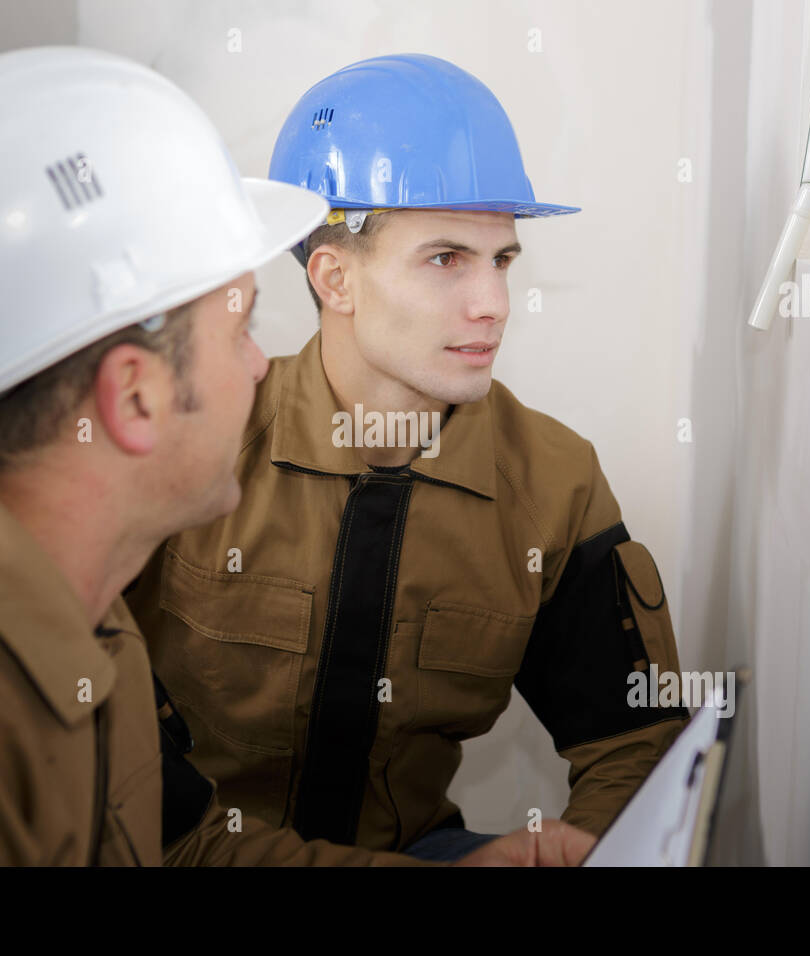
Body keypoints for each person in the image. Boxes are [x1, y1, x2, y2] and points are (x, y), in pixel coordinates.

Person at [0, 47, 593, 868]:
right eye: (241, 328)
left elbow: (183, 845)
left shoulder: (77, 594)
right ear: (135, 397)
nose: (263, 365)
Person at [126, 53, 691, 862]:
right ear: (335, 278)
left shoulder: (553, 484)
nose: (492, 303)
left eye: (502, 260)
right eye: (445, 259)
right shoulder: (198, 442)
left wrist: (585, 852)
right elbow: (94, 753)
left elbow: (634, 742)